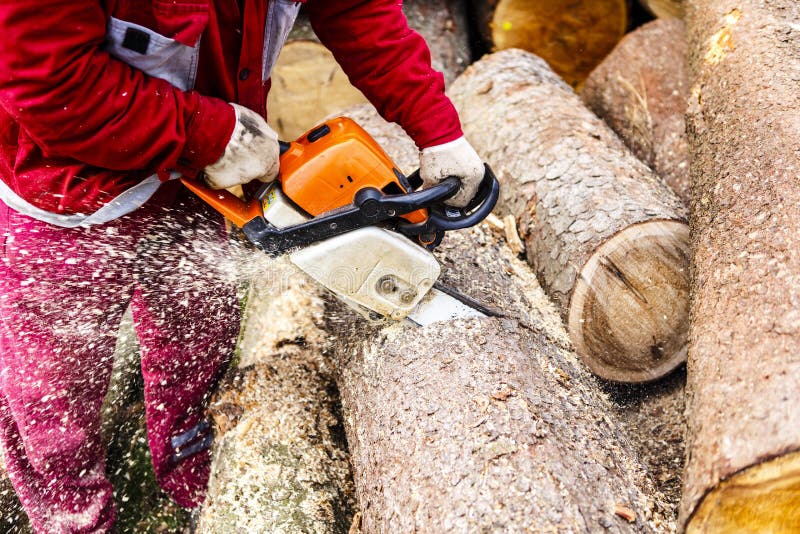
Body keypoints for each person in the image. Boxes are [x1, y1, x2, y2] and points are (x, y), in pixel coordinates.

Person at [0, 0, 485, 532]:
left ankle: (192, 463)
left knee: (198, 331)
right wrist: (207, 133)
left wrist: (436, 128)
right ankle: (71, 512)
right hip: (62, 187)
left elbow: (356, 9)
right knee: (52, 384)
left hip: (200, 174)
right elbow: (47, 82)